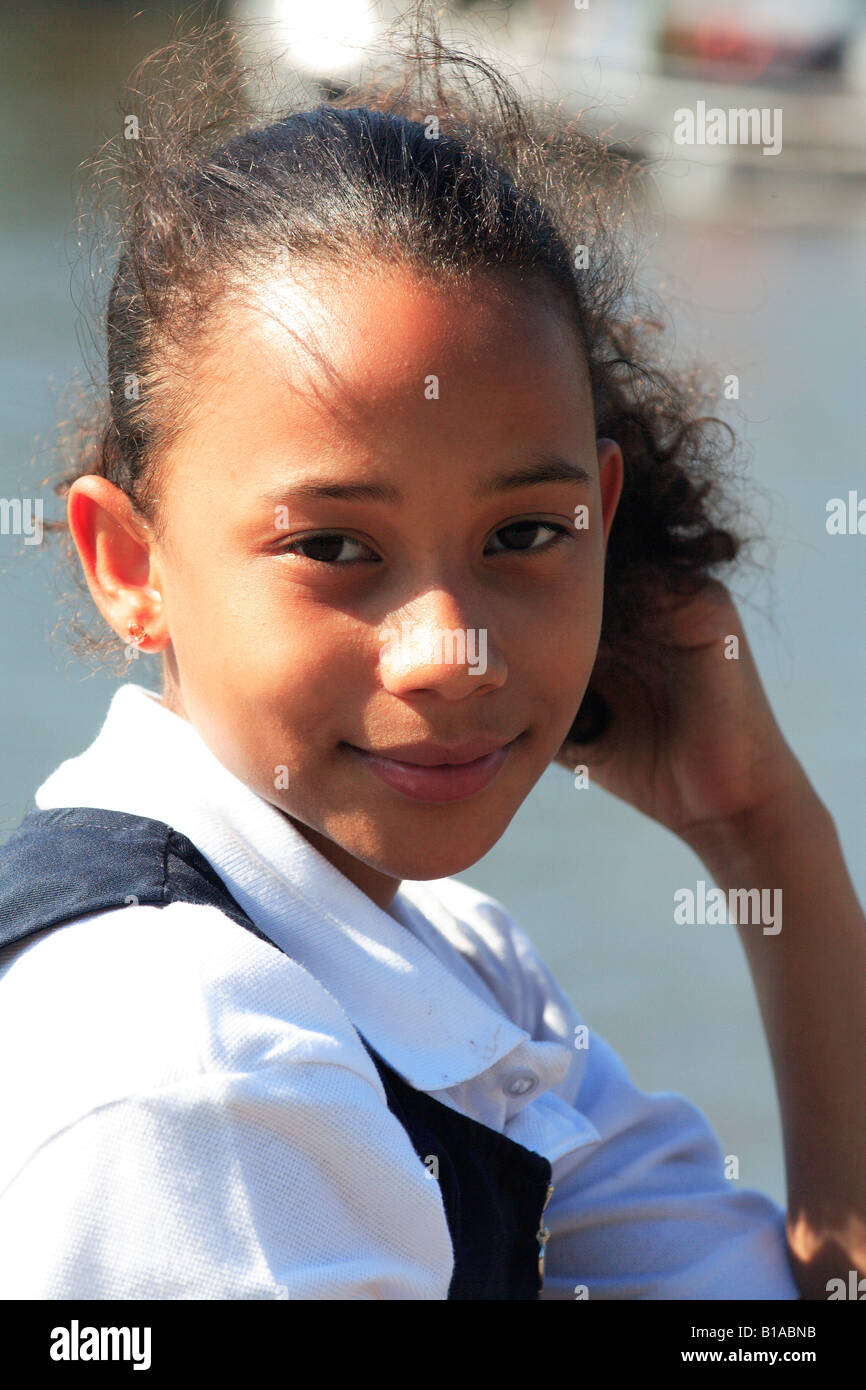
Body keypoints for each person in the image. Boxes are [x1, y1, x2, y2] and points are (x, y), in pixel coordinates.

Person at [0, 5, 863, 1300]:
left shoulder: (454, 966)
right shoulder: (193, 1058)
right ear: (129, 561)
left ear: (604, 515)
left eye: (522, 532)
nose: (447, 651)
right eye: (336, 550)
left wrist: (759, 826)